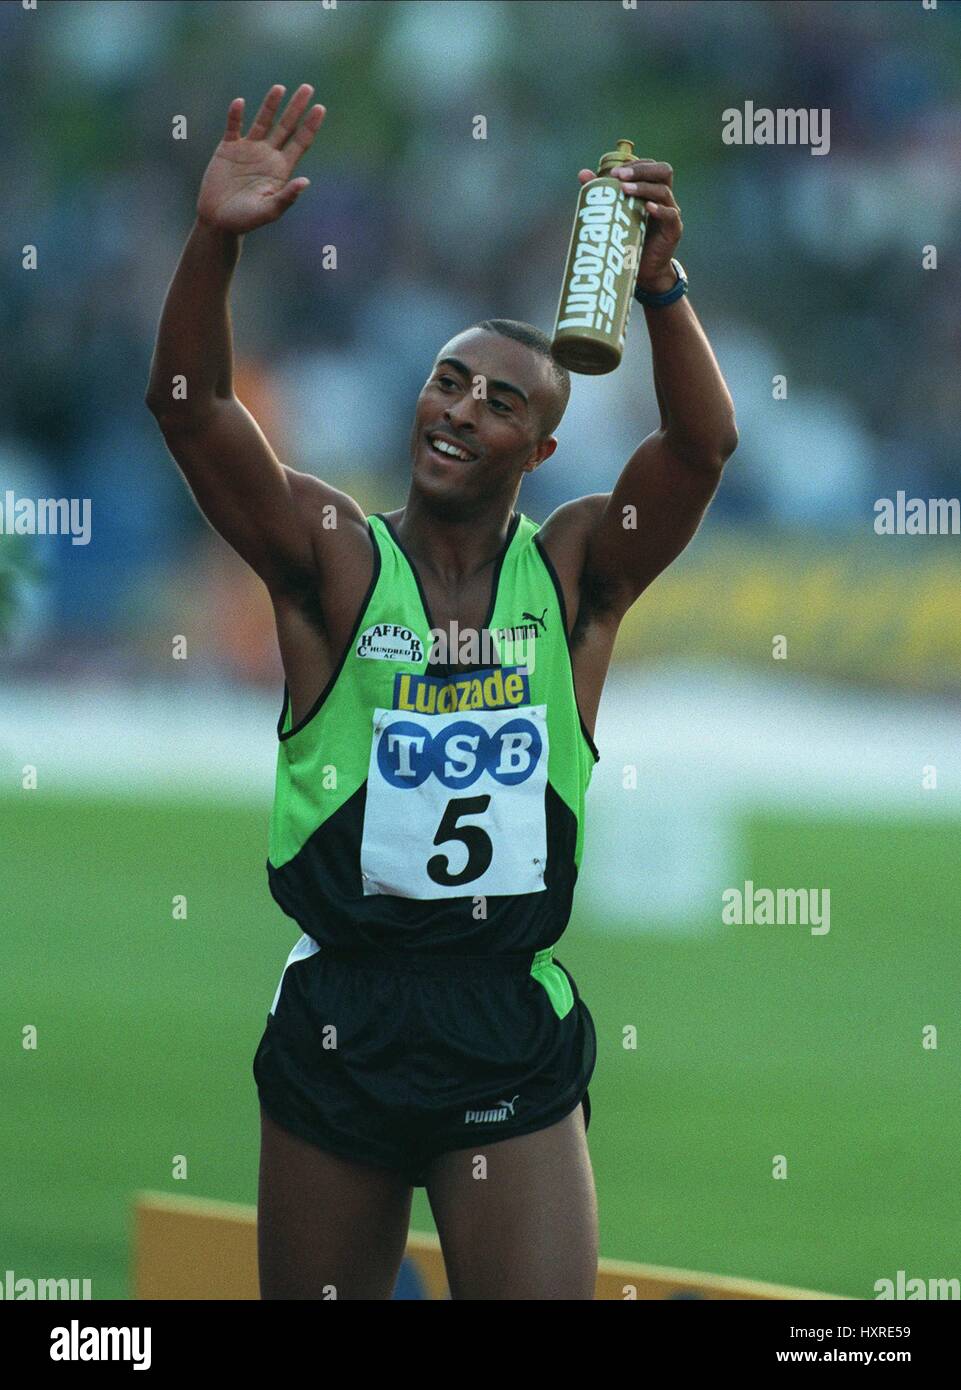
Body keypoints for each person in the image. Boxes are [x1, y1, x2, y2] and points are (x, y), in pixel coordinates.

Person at [145, 84, 738, 1301]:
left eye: (501, 399)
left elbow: (698, 451)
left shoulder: (577, 572)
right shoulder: (333, 556)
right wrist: (215, 239)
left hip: (501, 1020)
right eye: (447, 380)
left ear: (542, 449)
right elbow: (192, 408)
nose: (460, 409)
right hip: (342, 1018)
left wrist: (662, 292)